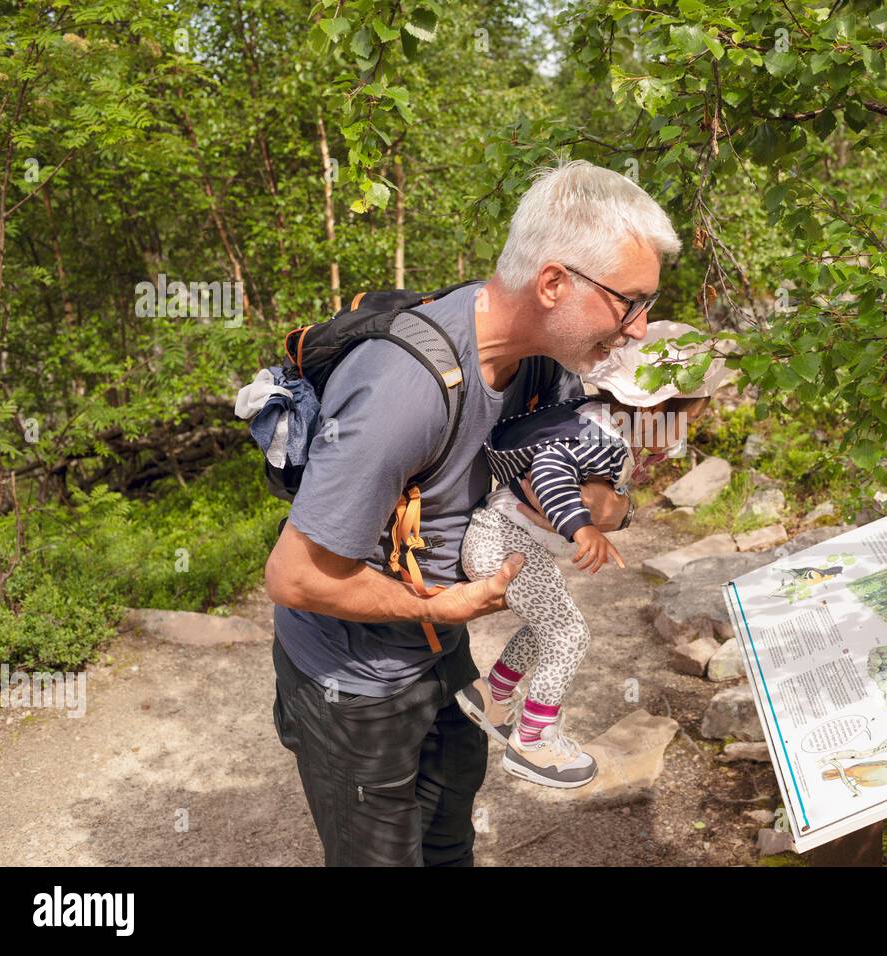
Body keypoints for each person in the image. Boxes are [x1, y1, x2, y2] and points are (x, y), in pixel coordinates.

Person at [263, 159, 681, 866]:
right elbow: (294, 577)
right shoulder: (404, 390)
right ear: (553, 284)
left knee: (450, 840)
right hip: (353, 681)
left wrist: (610, 499)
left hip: (440, 656)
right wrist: (447, 607)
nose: (639, 329)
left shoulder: (542, 362)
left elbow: (585, 492)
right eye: (630, 302)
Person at [456, 359, 710, 788]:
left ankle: (492, 695)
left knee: (549, 629)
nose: (683, 436)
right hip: (505, 543)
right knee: (570, 635)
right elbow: (550, 469)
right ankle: (533, 742)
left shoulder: (595, 419)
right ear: (651, 410)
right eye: (681, 423)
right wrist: (582, 526)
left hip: (502, 538)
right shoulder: (603, 437)